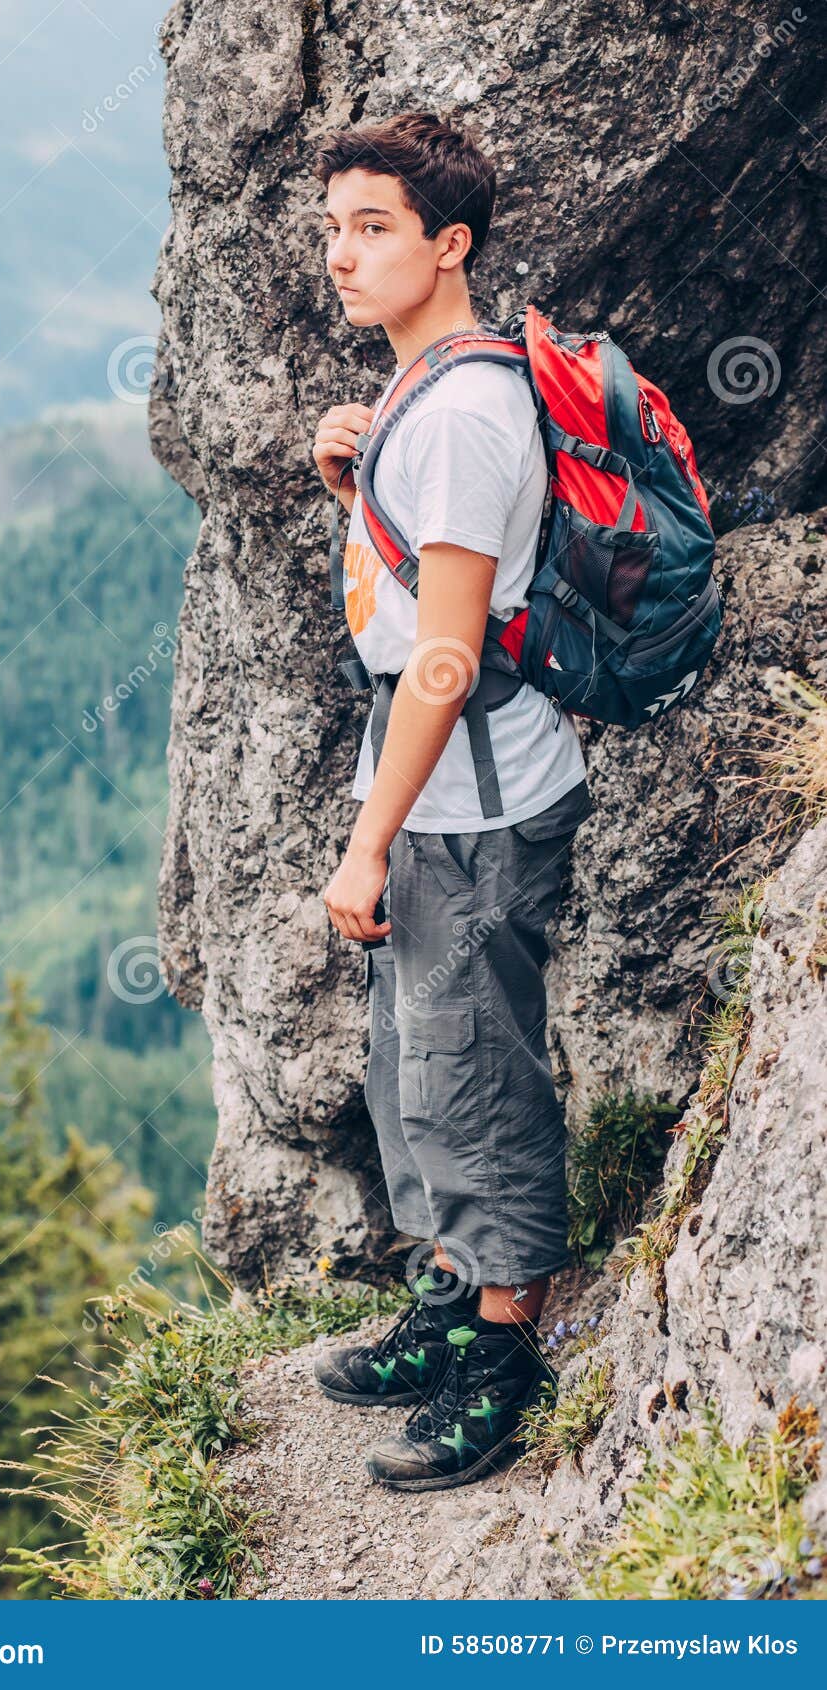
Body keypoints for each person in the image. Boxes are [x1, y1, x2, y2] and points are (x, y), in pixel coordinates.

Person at [310, 110, 593, 1491]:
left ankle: (504, 1344)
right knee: (421, 1064)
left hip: (471, 804)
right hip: (428, 791)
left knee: (478, 1075)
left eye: (375, 228)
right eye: (333, 229)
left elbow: (449, 651)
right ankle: (451, 1286)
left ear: (450, 244)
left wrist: (369, 841)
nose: (344, 257)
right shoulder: (426, 394)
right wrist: (355, 481)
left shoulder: (467, 415)